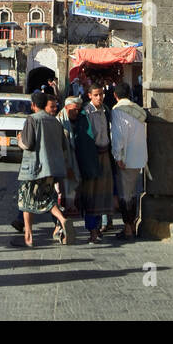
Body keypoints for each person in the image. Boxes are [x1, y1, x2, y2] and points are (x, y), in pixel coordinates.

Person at [17, 91, 73, 247]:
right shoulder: (55, 122)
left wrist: (19, 140)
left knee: (26, 201)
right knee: (48, 199)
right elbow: (63, 145)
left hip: (33, 169)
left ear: (33, 105)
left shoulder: (32, 119)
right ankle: (62, 220)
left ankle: (28, 236)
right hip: (51, 169)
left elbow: (28, 144)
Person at [59, 94, 102, 237]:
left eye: (78, 110)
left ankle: (92, 230)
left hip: (82, 166)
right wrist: (67, 166)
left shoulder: (82, 121)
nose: (76, 113)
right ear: (66, 108)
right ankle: (62, 229)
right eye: (73, 110)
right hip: (65, 168)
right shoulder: (59, 122)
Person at [110, 86, 148, 240]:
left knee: (126, 194)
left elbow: (119, 135)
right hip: (139, 156)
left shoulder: (119, 110)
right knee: (132, 193)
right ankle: (131, 225)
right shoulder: (138, 110)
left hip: (126, 158)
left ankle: (127, 227)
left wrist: (118, 156)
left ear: (115, 95)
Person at [80, 85, 116, 242]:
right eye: (96, 95)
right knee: (91, 194)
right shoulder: (86, 112)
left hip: (105, 155)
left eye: (101, 94)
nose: (99, 97)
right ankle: (92, 229)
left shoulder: (106, 111)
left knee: (103, 193)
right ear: (89, 95)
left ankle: (100, 226)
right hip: (92, 157)